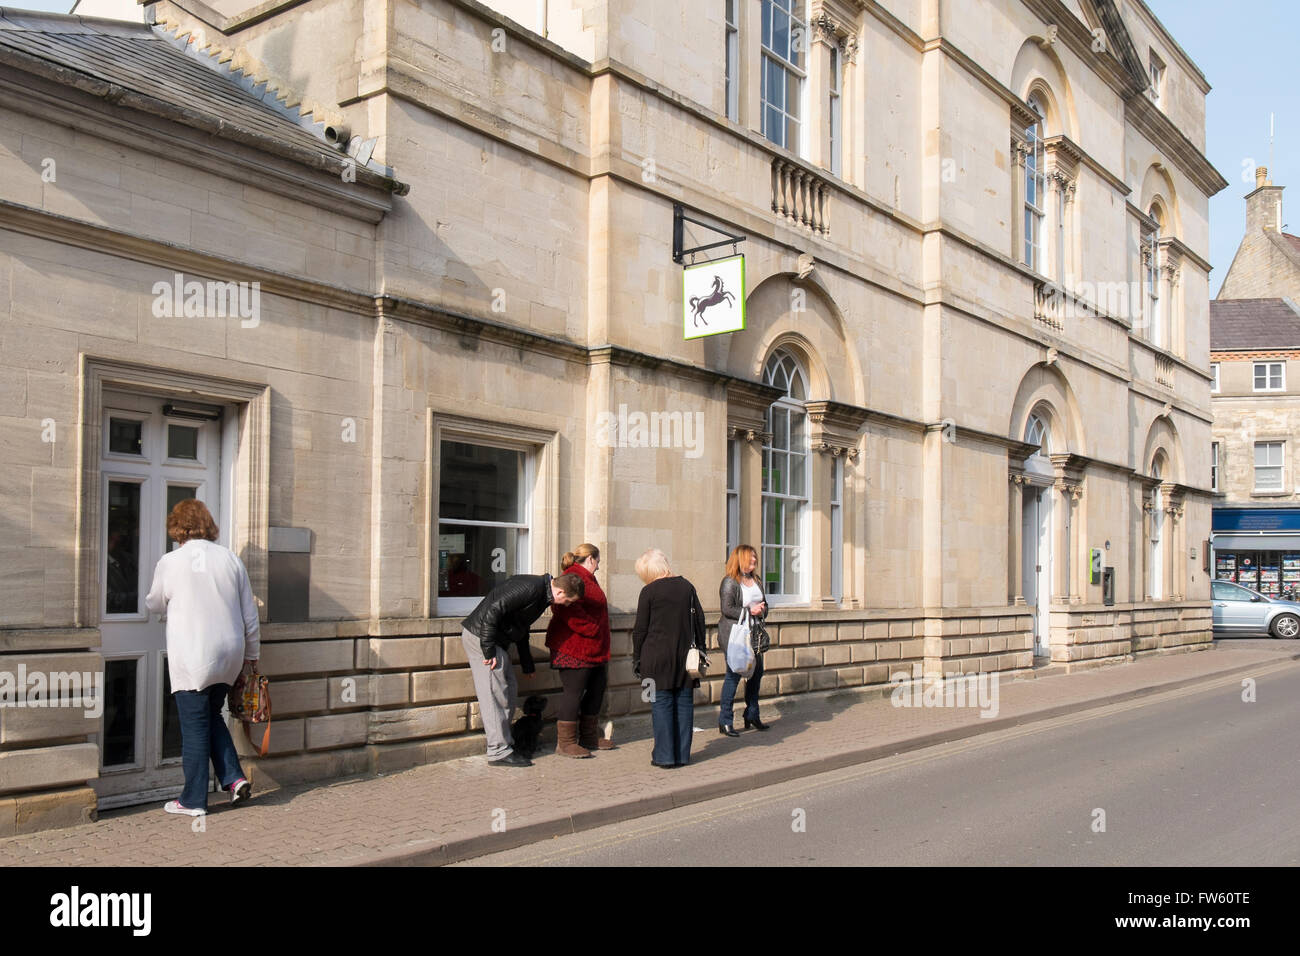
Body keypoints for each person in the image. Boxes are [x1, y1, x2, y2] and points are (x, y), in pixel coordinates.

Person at [144, 499, 259, 816]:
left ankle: (193, 801)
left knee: (194, 727)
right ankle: (234, 779)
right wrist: (252, 657)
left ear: (177, 527)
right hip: (230, 654)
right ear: (207, 524)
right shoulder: (230, 559)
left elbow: (154, 603)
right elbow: (250, 617)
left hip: (194, 655)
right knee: (211, 716)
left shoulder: (171, 561)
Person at [461, 571, 584, 767]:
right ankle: (498, 751)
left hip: (494, 641)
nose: (566, 605)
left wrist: (527, 663)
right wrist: (488, 650)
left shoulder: (541, 594)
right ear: (560, 592)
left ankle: (505, 744)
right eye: (568, 601)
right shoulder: (532, 588)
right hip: (483, 639)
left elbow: (521, 628)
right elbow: (493, 609)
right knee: (495, 695)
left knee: (508, 690)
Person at [631, 548, 706, 768]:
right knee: (684, 704)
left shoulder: (648, 591)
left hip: (653, 659)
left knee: (659, 704)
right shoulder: (687, 587)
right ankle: (682, 755)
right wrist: (702, 649)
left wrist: (637, 659)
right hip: (685, 658)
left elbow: (640, 630)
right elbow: (699, 621)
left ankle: (664, 756)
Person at [545, 544, 613, 757]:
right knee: (573, 694)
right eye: (598, 562)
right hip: (573, 648)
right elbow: (563, 606)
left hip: (594, 649)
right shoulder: (572, 576)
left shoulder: (587, 577)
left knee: (596, 689)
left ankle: (589, 737)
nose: (599, 567)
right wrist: (591, 629)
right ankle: (565, 743)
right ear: (591, 559)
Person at [718, 544, 770, 736]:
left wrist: (763, 609)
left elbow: (764, 604)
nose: (755, 561)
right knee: (733, 675)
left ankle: (752, 714)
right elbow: (727, 609)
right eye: (751, 558)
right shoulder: (730, 581)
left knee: (757, 673)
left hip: (754, 634)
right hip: (736, 635)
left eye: (755, 558)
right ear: (741, 559)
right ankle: (725, 721)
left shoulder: (756, 580)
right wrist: (750, 611)